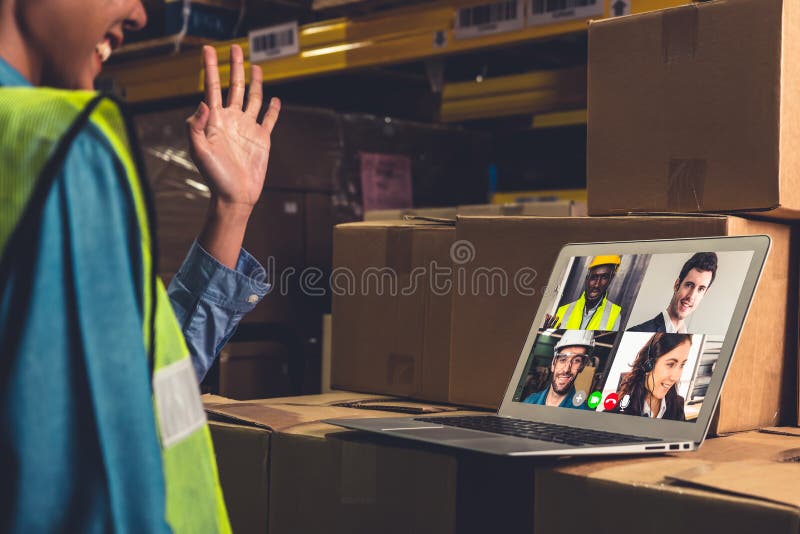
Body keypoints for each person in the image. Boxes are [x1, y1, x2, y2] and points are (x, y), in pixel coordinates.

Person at [0, 1, 280, 531]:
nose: (140, 15)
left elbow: (141, 379)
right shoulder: (52, 147)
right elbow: (100, 457)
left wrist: (231, 209)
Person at [609, 333, 691, 421]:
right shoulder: (617, 408)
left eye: (682, 365)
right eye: (670, 364)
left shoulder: (677, 406)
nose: (675, 377)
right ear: (648, 364)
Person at [628, 252, 717, 333]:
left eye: (701, 289)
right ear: (677, 285)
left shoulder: (692, 345)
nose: (691, 296)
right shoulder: (636, 333)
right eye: (689, 285)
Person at [545, 255, 623, 331]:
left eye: (604, 277)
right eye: (594, 277)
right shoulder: (562, 311)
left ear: (610, 280)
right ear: (587, 278)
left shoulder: (614, 315)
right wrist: (545, 331)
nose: (597, 284)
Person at [523, 330, 594, 409]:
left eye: (576, 361)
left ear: (582, 367)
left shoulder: (582, 413)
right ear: (553, 364)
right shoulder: (530, 401)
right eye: (563, 359)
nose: (566, 369)